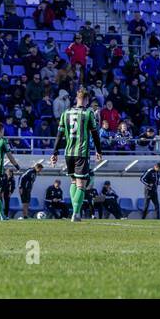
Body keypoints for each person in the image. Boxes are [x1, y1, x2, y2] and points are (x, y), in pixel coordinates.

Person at [49, 87, 103, 223]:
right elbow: (95, 134)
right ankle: (76, 213)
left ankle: (75, 211)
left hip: (68, 153)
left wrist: (54, 152)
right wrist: (99, 150)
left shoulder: (65, 113)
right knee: (81, 184)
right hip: (81, 152)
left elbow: (59, 134)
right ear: (86, 99)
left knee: (73, 181)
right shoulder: (88, 113)